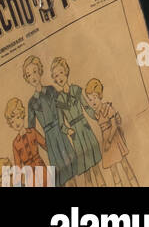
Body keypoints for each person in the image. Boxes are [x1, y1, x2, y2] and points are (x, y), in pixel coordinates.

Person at [50, 56, 105, 188]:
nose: (60, 77)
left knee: (96, 167)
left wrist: (97, 115)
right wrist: (68, 130)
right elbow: (61, 124)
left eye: (61, 73)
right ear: (54, 79)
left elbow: (87, 107)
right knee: (86, 169)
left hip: (85, 129)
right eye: (56, 76)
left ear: (67, 72)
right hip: (75, 135)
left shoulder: (76, 89)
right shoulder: (58, 101)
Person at [23, 56, 76, 189]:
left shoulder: (51, 90)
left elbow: (62, 106)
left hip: (60, 130)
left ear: (40, 71)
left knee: (71, 167)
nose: (33, 77)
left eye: (35, 71)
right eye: (29, 75)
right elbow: (31, 128)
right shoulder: (31, 103)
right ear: (27, 79)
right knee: (60, 173)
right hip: (50, 139)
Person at [83, 78, 138, 188]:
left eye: (95, 97)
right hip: (105, 141)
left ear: (100, 96)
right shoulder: (96, 114)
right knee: (113, 170)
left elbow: (114, 125)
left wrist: (109, 141)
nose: (93, 101)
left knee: (124, 164)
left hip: (113, 139)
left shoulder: (107, 107)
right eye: (89, 99)